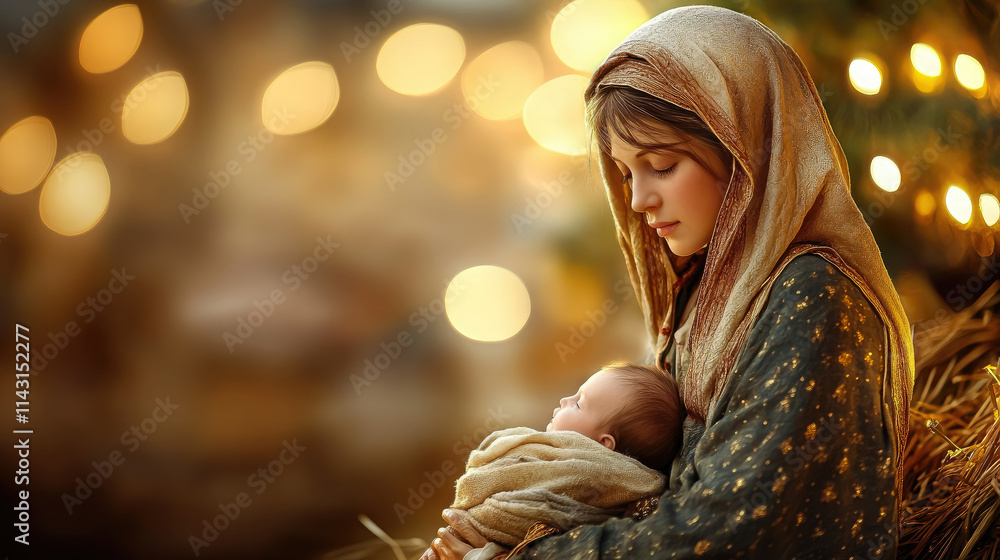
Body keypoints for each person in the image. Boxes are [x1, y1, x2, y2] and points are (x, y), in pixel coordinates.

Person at [424, 4, 915, 559]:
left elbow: (728, 528)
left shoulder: (814, 296)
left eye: (660, 164)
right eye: (626, 172)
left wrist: (527, 555)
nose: (638, 200)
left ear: (744, 148)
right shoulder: (709, 290)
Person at [438, 363, 684, 560]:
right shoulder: (547, 453)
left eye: (578, 403)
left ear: (603, 445)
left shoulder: (593, 477)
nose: (564, 400)